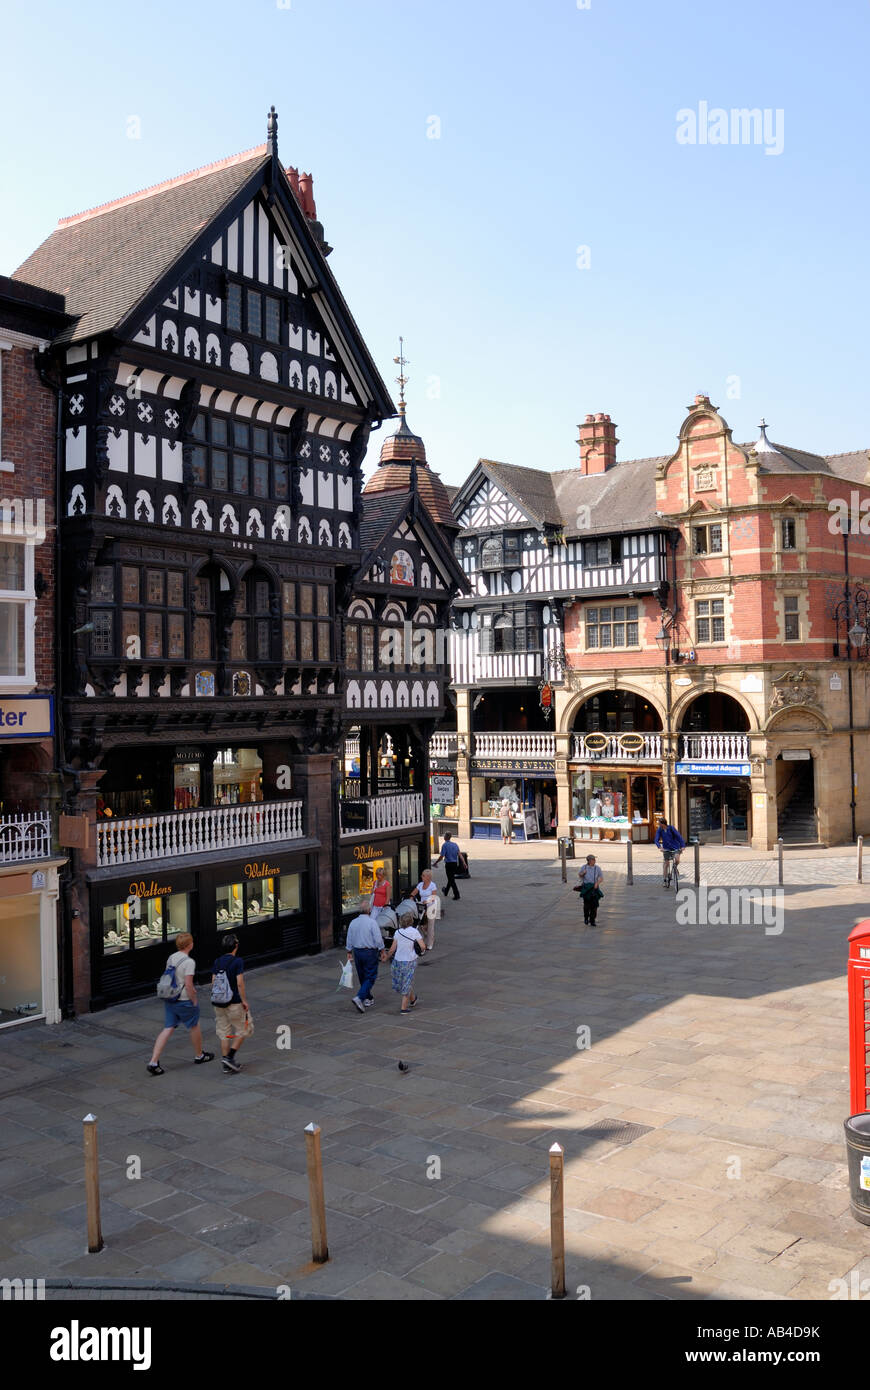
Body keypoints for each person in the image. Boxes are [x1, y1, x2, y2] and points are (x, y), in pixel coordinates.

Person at [147, 933, 214, 1075]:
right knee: (194, 1026)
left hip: (170, 998)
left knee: (168, 1028)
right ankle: (199, 1055)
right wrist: (194, 1000)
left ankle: (153, 1061)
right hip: (184, 1000)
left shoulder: (172, 957)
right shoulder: (189, 962)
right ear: (189, 945)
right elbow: (188, 985)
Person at [211, 933, 252, 1074]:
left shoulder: (217, 961)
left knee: (224, 1033)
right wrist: (244, 1001)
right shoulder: (237, 961)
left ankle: (225, 1064)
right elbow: (240, 983)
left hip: (219, 1003)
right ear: (235, 946)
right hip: (234, 1002)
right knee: (244, 1028)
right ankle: (230, 1057)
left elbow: (213, 982)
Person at [383, 910, 425, 1014]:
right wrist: (419, 951)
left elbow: (392, 949)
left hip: (397, 961)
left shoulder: (398, 932)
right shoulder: (414, 932)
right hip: (410, 961)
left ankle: (411, 1001)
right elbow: (423, 946)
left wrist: (386, 957)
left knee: (404, 982)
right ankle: (404, 1009)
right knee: (407, 982)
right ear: (411, 921)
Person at [345, 909, 383, 1013]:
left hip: (357, 952)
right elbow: (378, 939)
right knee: (370, 976)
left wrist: (349, 951)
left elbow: (349, 938)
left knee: (362, 976)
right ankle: (360, 997)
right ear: (369, 911)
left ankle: (368, 998)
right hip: (369, 952)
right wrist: (382, 950)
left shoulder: (353, 922)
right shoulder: (372, 922)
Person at [412, 868, 440, 951]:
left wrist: (427, 901)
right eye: (422, 875)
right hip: (422, 906)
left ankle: (430, 943)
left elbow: (433, 897)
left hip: (431, 906)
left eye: (423, 876)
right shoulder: (420, 884)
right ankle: (428, 936)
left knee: (430, 926)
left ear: (428, 877)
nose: (421, 877)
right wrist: (411, 897)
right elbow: (414, 892)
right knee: (421, 925)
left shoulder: (432, 885)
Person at [654, 813, 686, 885]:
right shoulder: (660, 830)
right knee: (666, 864)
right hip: (666, 848)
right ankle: (665, 879)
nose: (659, 825)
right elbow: (656, 839)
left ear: (663, 824)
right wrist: (660, 847)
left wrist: (683, 846)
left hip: (675, 847)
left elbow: (679, 837)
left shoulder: (671, 828)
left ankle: (675, 867)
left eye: (659, 824)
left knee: (677, 860)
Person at [434, 832, 466, 900]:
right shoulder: (455, 845)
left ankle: (457, 895)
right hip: (454, 864)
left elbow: (442, 856)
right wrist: (464, 862)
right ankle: (445, 891)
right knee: (450, 878)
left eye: (444, 835)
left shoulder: (445, 845)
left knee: (451, 880)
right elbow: (459, 855)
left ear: (445, 837)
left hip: (449, 864)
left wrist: (436, 862)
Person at [576, 854, 604, 926]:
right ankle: (586, 917)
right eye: (593, 859)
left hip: (594, 888)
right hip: (586, 888)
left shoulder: (597, 868)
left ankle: (592, 920)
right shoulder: (584, 867)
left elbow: (601, 877)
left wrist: (597, 883)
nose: (594, 861)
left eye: (594, 859)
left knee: (594, 905)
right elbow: (580, 875)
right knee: (586, 905)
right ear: (589, 861)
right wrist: (583, 873)